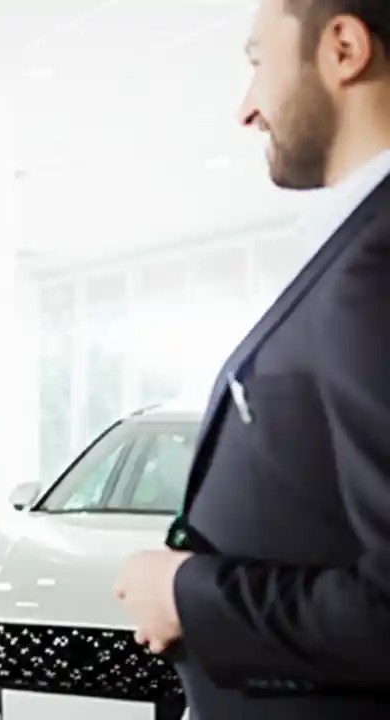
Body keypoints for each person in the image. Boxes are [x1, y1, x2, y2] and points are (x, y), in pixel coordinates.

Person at [113, 1, 390, 718]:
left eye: (259, 62)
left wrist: (186, 594)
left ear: (343, 48)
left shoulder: (375, 267)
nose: (246, 110)